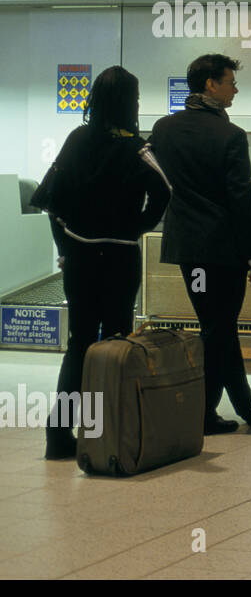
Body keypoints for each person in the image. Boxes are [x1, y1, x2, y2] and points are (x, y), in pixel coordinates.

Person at [34, 67, 171, 459]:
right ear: (131, 103)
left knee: (80, 344)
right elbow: (165, 189)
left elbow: (49, 198)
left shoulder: (76, 140)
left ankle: (58, 436)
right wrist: (139, 226)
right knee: (114, 344)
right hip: (119, 257)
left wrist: (64, 243)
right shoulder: (137, 148)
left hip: (80, 258)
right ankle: (104, 431)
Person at [148, 54, 251, 435]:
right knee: (219, 328)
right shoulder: (230, 135)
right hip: (224, 253)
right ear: (211, 84)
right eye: (230, 81)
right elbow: (241, 200)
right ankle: (204, 412)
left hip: (190, 255)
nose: (235, 88)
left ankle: (243, 406)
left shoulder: (163, 129)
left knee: (215, 326)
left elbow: (151, 181)